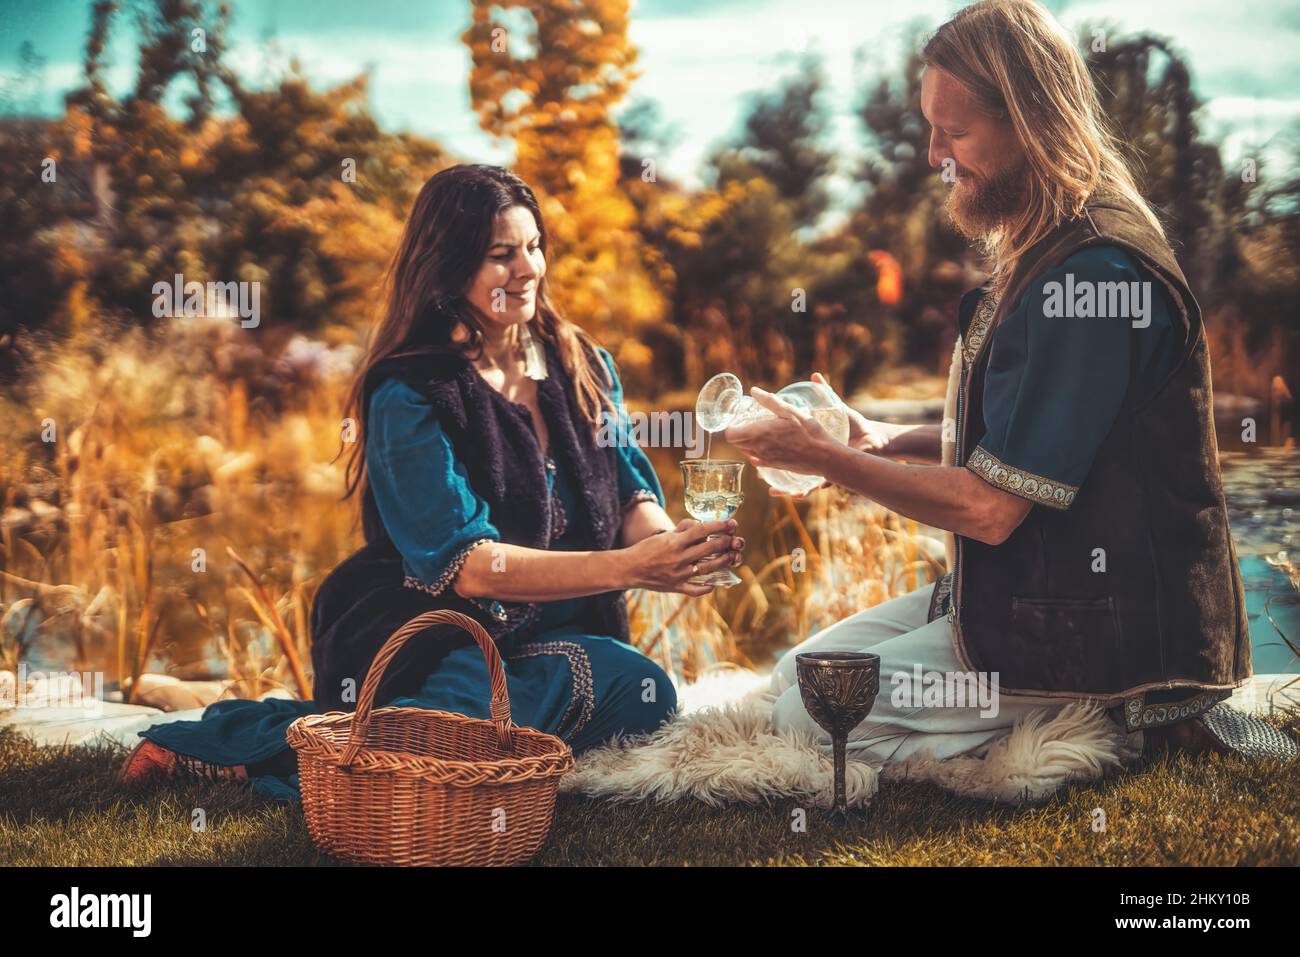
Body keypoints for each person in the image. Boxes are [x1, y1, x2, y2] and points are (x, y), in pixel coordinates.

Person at [724, 0, 1295, 765]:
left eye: (954, 133)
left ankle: (1114, 727)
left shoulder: (1094, 273)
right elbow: (1014, 441)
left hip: (1105, 639)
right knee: (797, 679)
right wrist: (882, 438)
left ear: (1029, 123)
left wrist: (828, 460)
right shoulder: (1047, 248)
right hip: (1043, 602)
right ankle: (1031, 710)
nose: (934, 154)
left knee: (808, 719)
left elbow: (991, 511)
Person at [119, 164, 745, 800]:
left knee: (644, 695)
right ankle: (250, 747)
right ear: (450, 267)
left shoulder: (581, 362)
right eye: (502, 255)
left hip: (561, 637)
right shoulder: (410, 389)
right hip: (433, 634)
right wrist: (631, 567)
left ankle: (384, 742)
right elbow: (468, 567)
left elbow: (630, 493)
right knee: (573, 689)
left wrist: (677, 550)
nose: (527, 270)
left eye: (533, 247)